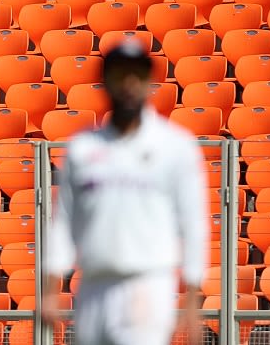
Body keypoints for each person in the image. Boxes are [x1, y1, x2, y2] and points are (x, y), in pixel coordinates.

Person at [40, 39, 209, 345]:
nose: (129, 83)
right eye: (120, 74)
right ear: (104, 82)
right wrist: (51, 290)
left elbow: (194, 224)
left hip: (146, 283)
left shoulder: (175, 146)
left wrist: (192, 300)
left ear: (149, 81)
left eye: (137, 75)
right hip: (93, 285)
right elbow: (64, 220)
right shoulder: (83, 148)